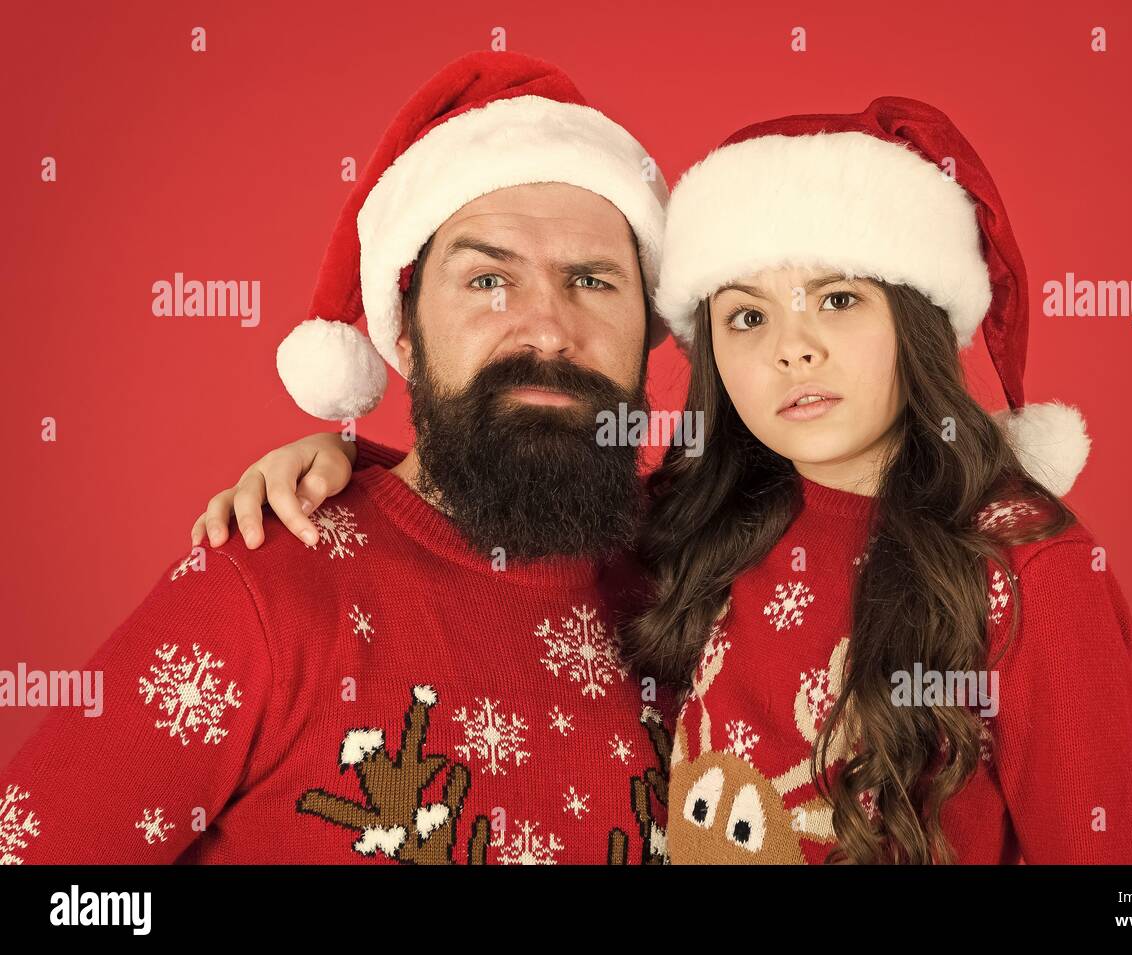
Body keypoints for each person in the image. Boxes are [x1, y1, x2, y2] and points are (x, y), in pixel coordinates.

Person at [184, 99, 1132, 865]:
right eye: (746, 316)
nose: (794, 349)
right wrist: (346, 469)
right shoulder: (693, 519)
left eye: (837, 298)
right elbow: (501, 495)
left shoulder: (1026, 568)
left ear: (922, 318)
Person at [0, 51, 673, 865]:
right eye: (488, 280)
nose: (547, 329)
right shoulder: (263, 584)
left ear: (650, 328)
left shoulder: (700, 592)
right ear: (402, 333)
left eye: (594, 281)